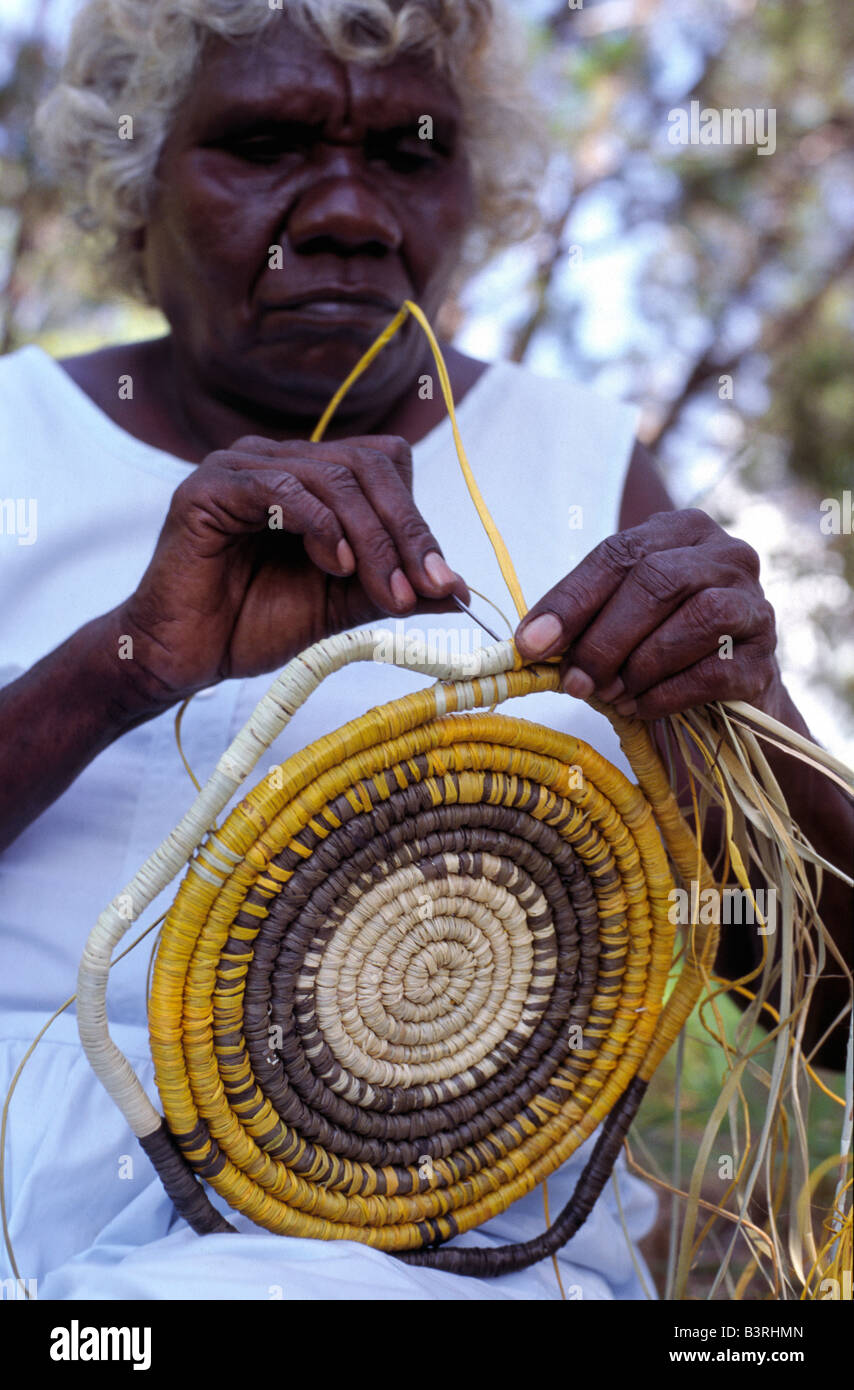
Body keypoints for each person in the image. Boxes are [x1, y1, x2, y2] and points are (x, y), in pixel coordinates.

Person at [0, 0, 850, 1301]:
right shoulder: (18, 443)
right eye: (265, 141)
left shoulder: (578, 464)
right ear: (136, 185)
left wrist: (750, 737)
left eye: (407, 150)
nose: (350, 212)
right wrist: (122, 663)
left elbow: (832, 1011)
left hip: (490, 1268)